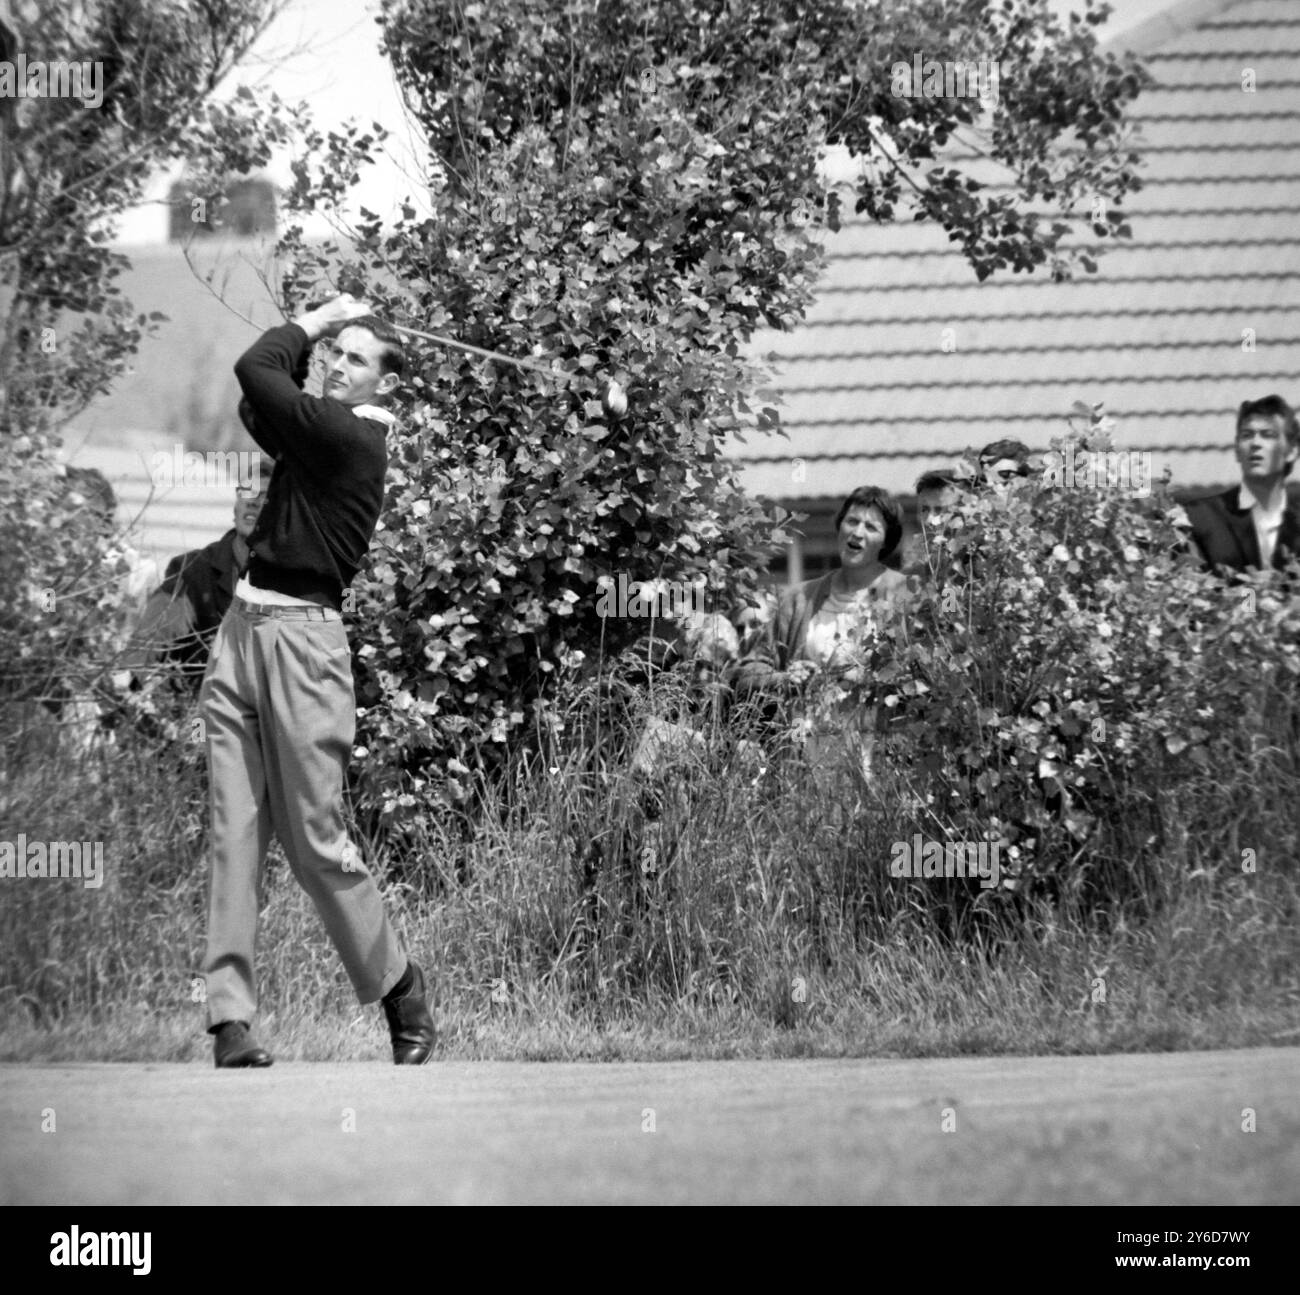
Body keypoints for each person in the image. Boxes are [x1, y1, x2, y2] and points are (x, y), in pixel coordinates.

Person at [200, 294, 435, 1068]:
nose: (339, 362)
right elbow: (257, 399)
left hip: (304, 646)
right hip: (241, 632)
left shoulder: (351, 437)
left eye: (356, 357)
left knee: (314, 844)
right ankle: (230, 1021)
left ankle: (398, 982)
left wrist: (319, 313)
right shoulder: (320, 426)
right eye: (336, 350)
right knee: (235, 832)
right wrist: (313, 341)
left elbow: (255, 366)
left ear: (385, 386)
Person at [733, 486, 910, 781]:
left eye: (871, 526)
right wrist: (787, 679)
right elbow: (748, 674)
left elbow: (928, 679)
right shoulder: (799, 599)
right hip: (806, 765)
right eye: (851, 521)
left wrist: (870, 679)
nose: (857, 532)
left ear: (885, 541)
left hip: (882, 762)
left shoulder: (906, 595)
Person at [115, 474, 270, 687]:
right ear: (236, 505)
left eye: (265, 496)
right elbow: (149, 641)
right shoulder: (194, 572)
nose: (253, 501)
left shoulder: (300, 584)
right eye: (247, 491)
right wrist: (130, 681)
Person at [1182, 395, 1300, 574]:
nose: (1255, 443)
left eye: (1268, 435)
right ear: (1237, 450)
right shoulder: (1198, 517)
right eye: (1247, 435)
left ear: (1291, 451)